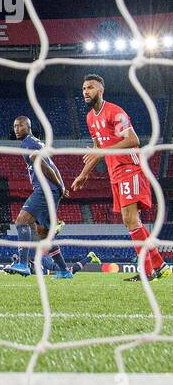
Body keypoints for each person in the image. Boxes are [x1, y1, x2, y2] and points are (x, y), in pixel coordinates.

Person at [70, 74, 168, 282]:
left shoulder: (115, 112)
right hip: (115, 173)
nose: (86, 91)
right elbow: (98, 150)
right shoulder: (90, 119)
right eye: (84, 88)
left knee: (130, 219)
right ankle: (159, 265)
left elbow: (133, 140)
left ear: (101, 90)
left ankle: (148, 271)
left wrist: (102, 152)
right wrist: (82, 175)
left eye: (90, 88)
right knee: (132, 222)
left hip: (130, 168)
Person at [5, 115, 73, 278]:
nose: (17, 129)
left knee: (21, 221)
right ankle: (64, 270)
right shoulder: (37, 142)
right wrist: (61, 186)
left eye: (20, 126)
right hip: (53, 191)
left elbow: (40, 162)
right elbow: (53, 166)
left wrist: (58, 185)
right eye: (15, 126)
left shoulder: (28, 143)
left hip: (45, 190)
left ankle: (23, 264)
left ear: (28, 127)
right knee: (43, 233)